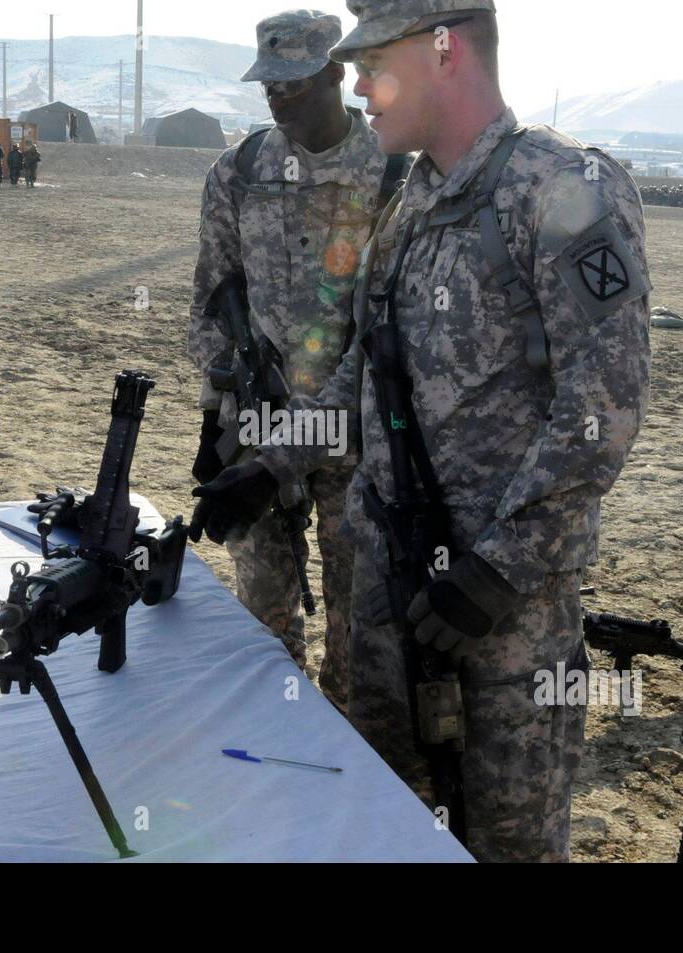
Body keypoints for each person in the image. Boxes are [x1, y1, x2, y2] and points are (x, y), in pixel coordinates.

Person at [191, 0, 651, 862]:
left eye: (373, 61)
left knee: (504, 844)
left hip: (501, 626)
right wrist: (270, 463)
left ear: (445, 51)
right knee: (382, 828)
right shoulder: (411, 202)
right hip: (388, 600)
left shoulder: (559, 190)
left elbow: (606, 407)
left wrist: (497, 569)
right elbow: (366, 369)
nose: (356, 83)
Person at [187, 10, 407, 707]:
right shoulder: (240, 171)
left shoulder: (393, 172)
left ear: (336, 72)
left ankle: (342, 748)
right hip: (256, 427)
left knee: (357, 620)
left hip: (353, 436)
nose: (277, 96)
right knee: (264, 618)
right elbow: (210, 302)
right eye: (269, 83)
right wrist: (212, 417)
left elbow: (393, 329)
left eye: (293, 81)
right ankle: (279, 743)